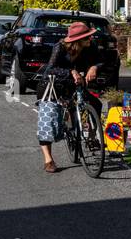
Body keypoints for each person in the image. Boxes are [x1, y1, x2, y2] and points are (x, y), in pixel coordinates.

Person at [35, 21, 103, 174]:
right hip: (52, 87)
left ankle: (92, 138)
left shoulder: (89, 47)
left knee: (96, 104)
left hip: (74, 85)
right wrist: (71, 72)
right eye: (87, 37)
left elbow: (101, 60)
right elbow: (50, 69)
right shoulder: (59, 48)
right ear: (78, 40)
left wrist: (94, 67)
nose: (90, 39)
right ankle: (48, 160)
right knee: (48, 121)